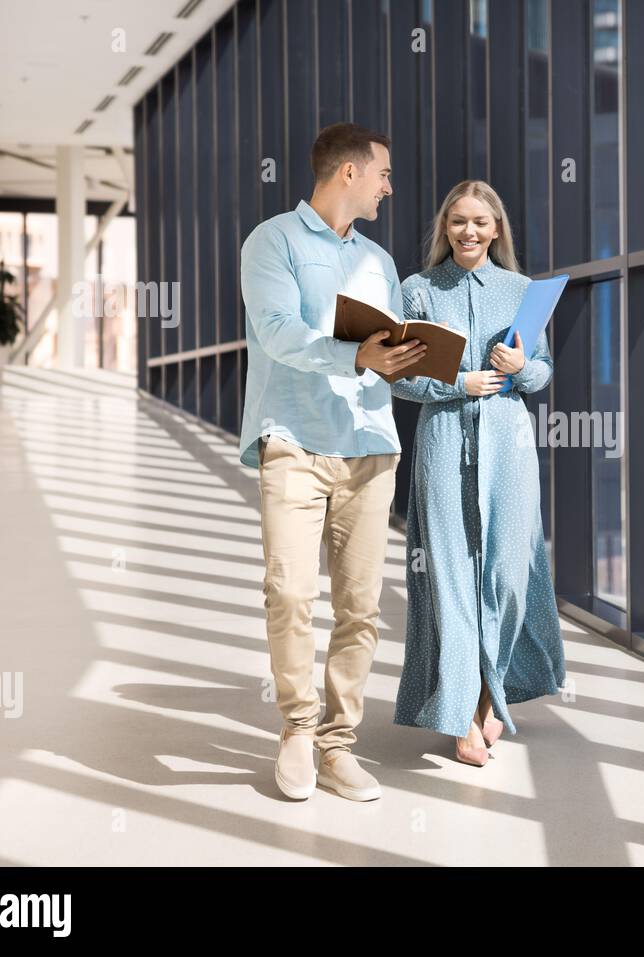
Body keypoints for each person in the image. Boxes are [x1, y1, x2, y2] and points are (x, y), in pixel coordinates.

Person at [239, 122, 426, 802]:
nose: (388, 186)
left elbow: (391, 354)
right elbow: (278, 331)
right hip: (292, 439)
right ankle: (296, 728)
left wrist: (423, 362)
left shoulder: (379, 260)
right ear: (349, 172)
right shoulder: (273, 242)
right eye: (382, 173)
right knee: (290, 591)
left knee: (361, 607)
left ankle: (338, 744)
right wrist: (356, 355)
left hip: (370, 446)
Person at [390, 180, 565, 766]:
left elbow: (542, 373)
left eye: (480, 222)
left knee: (511, 573)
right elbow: (400, 376)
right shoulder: (418, 291)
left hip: (509, 450)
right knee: (450, 579)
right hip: (443, 445)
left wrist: (519, 369)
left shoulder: (521, 292)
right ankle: (464, 710)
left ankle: (495, 690)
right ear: (445, 226)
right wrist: (455, 383)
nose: (469, 231)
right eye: (458, 221)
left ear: (496, 230)